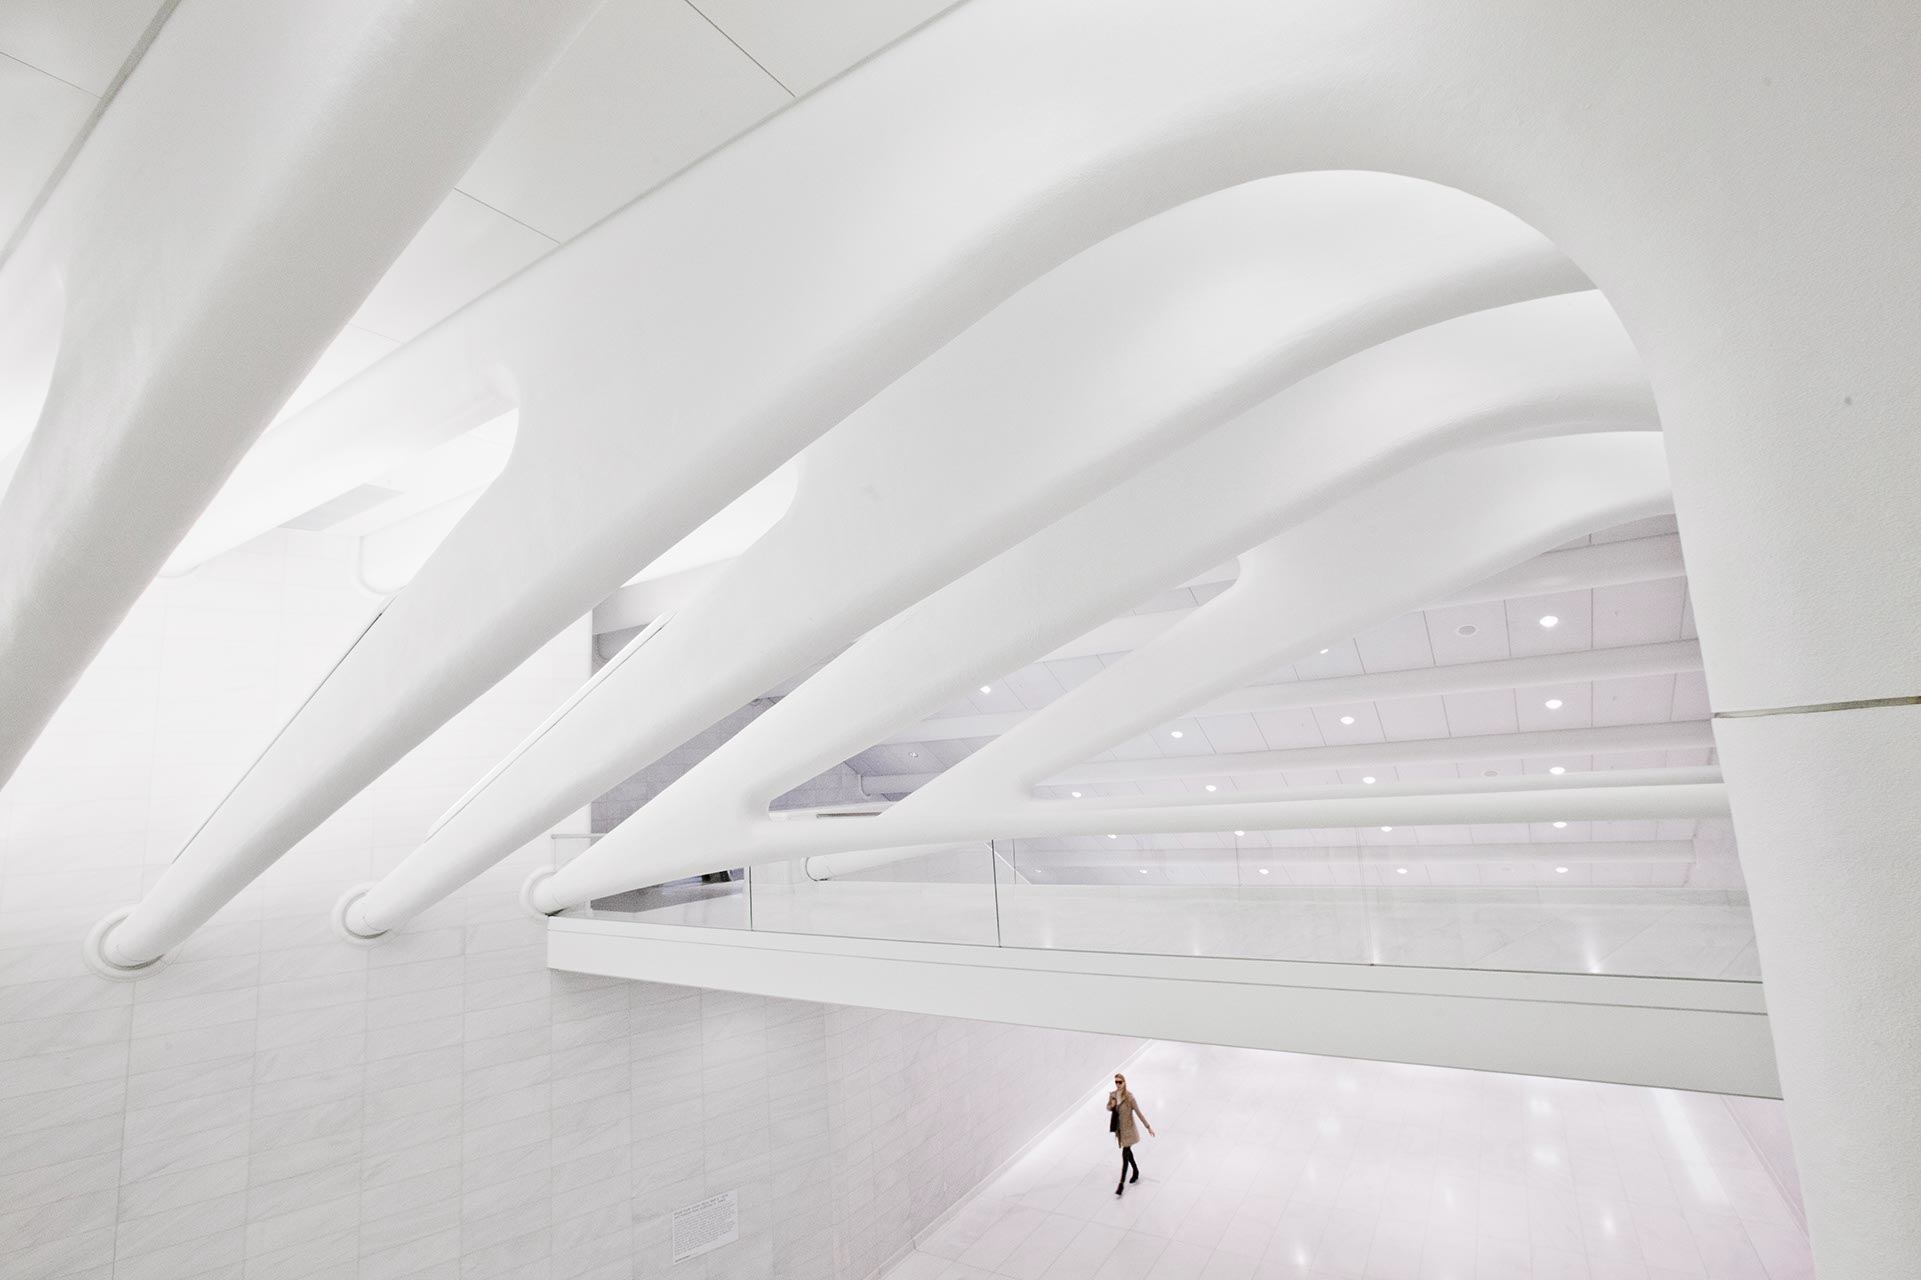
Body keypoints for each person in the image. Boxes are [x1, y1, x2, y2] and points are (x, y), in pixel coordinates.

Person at [1106, 1072, 1154, 1195]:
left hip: (1129, 1131)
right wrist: (1111, 1105)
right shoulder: (1113, 1095)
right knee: (1128, 1153)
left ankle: (1121, 1184)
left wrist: (1148, 1127)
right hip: (1120, 1131)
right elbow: (1108, 1107)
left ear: (1124, 1082)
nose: (1117, 1084)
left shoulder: (1129, 1097)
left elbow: (1138, 1113)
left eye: (1120, 1082)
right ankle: (1136, 1171)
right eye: (1116, 1082)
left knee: (1125, 1154)